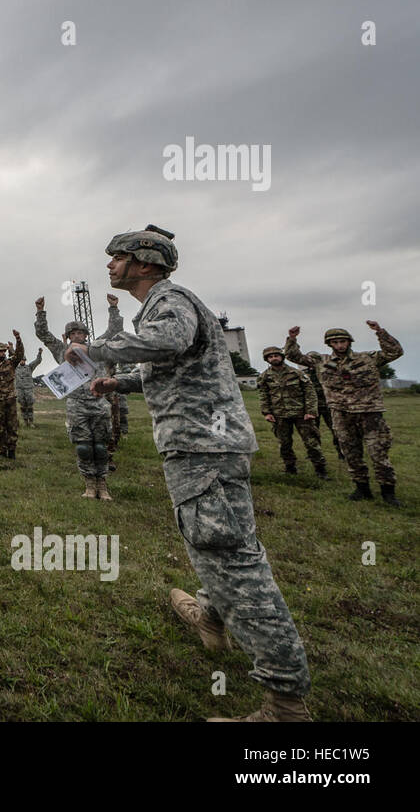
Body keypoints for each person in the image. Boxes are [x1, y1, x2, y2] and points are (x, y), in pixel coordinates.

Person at [79, 224, 311, 721]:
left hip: (204, 449)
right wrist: (116, 383)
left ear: (143, 263)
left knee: (236, 563)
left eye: (116, 257)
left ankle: (285, 704)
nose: (109, 265)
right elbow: (167, 364)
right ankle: (209, 614)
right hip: (205, 448)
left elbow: (170, 340)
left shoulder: (171, 301)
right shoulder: (166, 304)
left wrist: (96, 350)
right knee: (218, 545)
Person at [284, 322, 403, 505]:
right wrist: (292, 338)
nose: (339, 345)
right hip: (340, 413)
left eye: (342, 341)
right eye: (335, 342)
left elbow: (395, 352)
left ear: (349, 342)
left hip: (369, 413)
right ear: (329, 344)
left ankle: (388, 492)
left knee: (378, 454)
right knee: (351, 453)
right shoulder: (321, 361)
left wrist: (380, 332)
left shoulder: (367, 358)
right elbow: (293, 356)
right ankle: (361, 488)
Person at [36, 295, 123, 500]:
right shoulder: (61, 350)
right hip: (76, 405)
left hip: (98, 403)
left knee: (100, 446)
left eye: (81, 333)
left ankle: (103, 484)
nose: (77, 336)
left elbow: (114, 332)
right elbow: (43, 334)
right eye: (73, 333)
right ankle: (89, 485)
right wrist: (40, 312)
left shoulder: (95, 349)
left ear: (86, 335)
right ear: (67, 336)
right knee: (84, 446)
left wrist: (113, 308)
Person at [256, 346, 327, 480]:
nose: (274, 358)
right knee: (284, 444)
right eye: (270, 357)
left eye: (276, 355)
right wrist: (266, 413)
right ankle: (290, 468)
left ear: (282, 357)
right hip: (279, 415)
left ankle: (320, 469)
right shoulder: (265, 376)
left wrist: (311, 411)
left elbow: (310, 393)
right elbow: (263, 395)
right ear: (267, 359)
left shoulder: (296, 373)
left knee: (311, 442)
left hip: (301, 414)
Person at [14, 347, 43, 427]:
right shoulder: (15, 368)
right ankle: (25, 421)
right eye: (21, 360)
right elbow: (13, 356)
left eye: (23, 360)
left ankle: (31, 422)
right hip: (20, 389)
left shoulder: (29, 367)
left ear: (25, 360)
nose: (22, 361)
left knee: (30, 406)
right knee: (22, 406)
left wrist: (39, 353)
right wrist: (11, 348)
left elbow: (37, 361)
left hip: (28, 389)